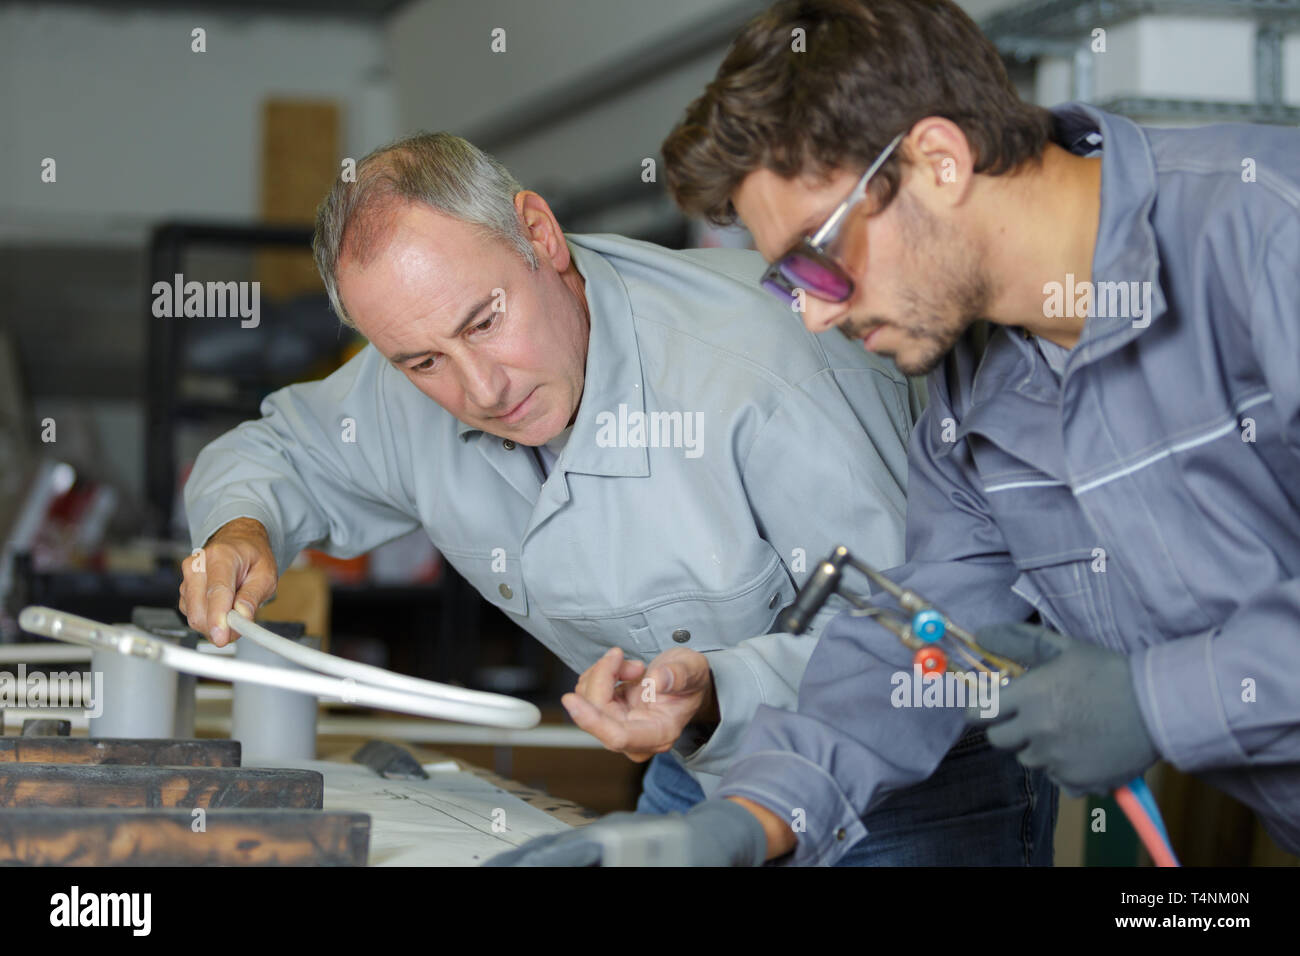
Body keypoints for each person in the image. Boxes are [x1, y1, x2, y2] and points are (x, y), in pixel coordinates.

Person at [492, 0, 1300, 866]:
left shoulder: (1267, 233)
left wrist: (1157, 699)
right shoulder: (976, 385)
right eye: (784, 280)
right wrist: (743, 821)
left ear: (938, 161)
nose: (809, 313)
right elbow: (910, 639)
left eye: (813, 255)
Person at [178, 130, 1055, 864]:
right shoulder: (413, 373)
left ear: (540, 234)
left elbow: (927, 640)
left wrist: (719, 688)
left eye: (486, 321)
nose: (479, 386)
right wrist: (239, 528)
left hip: (914, 783)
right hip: (704, 762)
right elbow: (278, 449)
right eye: (422, 361)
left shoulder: (764, 366)